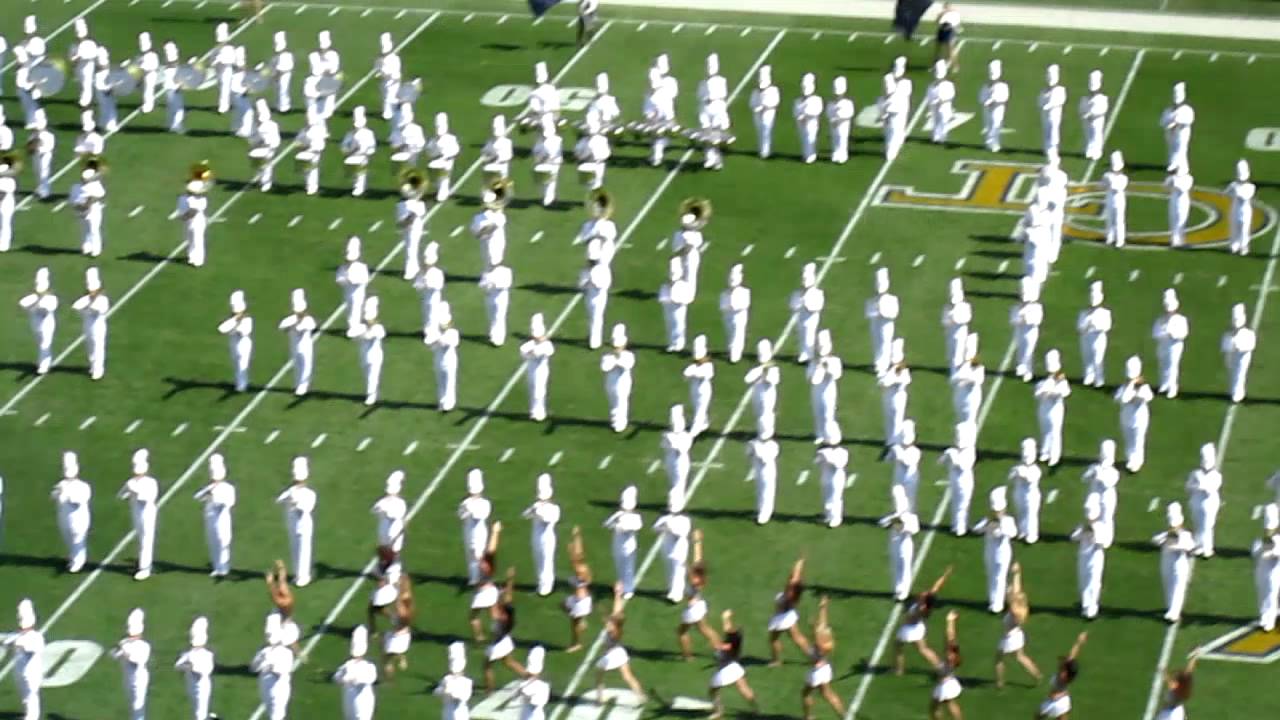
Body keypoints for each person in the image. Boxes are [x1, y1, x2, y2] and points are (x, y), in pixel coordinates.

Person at [894, 566, 953, 675]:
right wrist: (946, 574)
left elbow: (909, 618)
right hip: (918, 628)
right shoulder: (924, 604)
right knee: (924, 649)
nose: (923, 593)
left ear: (925, 602)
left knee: (898, 646)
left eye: (924, 595)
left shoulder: (920, 609)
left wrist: (906, 613)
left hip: (909, 630)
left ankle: (899, 669)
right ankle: (941, 667)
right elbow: (937, 586)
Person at [596, 582, 646, 702]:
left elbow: (611, 622)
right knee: (627, 676)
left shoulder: (613, 630)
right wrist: (617, 594)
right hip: (620, 652)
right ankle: (641, 696)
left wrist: (606, 619)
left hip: (611, 655)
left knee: (599, 675)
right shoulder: (616, 626)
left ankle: (599, 699)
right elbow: (617, 610)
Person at [995, 563, 1042, 689]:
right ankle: (1036, 674)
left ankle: (1000, 682)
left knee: (999, 659)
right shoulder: (1023, 609)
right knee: (1021, 657)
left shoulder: (1015, 611)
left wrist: (1008, 594)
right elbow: (1017, 591)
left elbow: (1012, 601)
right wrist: (1017, 573)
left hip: (1009, 637)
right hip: (1018, 635)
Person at [483, 566, 527, 692]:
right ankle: (529, 677)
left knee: (487, 667)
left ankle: (489, 689)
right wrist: (510, 579)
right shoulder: (508, 616)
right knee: (509, 662)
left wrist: (493, 593)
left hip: (496, 645)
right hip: (506, 642)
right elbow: (509, 594)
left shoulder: (500, 618)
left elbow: (492, 608)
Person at [975, 487, 1017, 613]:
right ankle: (994, 599)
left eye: (999, 511)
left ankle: (997, 604)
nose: (997, 513)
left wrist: (1001, 526)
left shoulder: (1008, 520)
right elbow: (976, 529)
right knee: (991, 576)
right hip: (989, 551)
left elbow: (1013, 533)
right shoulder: (988, 520)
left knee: (999, 577)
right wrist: (987, 524)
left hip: (1002, 553)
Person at [118, 449, 158, 581]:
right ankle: (143, 562)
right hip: (136, 511)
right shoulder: (132, 482)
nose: (137, 476)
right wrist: (127, 491)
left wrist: (134, 491)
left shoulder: (151, 482)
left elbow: (147, 499)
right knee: (140, 538)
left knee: (147, 539)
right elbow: (121, 495)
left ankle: (145, 568)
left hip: (147, 513)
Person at [709, 609, 758, 719]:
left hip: (726, 670)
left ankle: (718, 711)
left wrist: (714, 640)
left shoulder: (729, 646)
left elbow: (718, 646)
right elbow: (727, 628)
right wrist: (726, 617)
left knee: (713, 690)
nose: (730, 629)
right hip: (735, 667)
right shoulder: (735, 641)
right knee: (744, 688)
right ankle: (755, 709)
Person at [277, 456, 316, 587]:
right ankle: (296, 574)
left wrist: (296, 502)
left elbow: (307, 508)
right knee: (294, 549)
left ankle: (304, 576)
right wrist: (289, 497)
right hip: (292, 523)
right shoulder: (291, 491)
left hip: (303, 524)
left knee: (304, 550)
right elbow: (279, 500)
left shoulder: (310, 493)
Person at [194, 453, 235, 578]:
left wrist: (217, 498)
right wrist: (208, 493)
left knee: (223, 541)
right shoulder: (210, 487)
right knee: (212, 541)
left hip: (222, 517)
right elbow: (197, 496)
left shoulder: (228, 488)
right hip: (210, 516)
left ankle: (224, 568)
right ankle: (217, 567)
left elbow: (229, 502)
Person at [1154, 502, 1195, 623]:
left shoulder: (1185, 534)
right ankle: (1170, 608)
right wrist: (1167, 537)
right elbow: (1155, 540)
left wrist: (1177, 545)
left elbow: (1190, 546)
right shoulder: (1166, 535)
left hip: (1179, 563)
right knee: (1168, 585)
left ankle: (1174, 612)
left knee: (1178, 587)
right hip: (1166, 561)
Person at [767, 557, 812, 666]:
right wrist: (800, 562)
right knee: (798, 638)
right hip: (788, 616)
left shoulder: (790, 594)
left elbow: (794, 575)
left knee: (774, 639)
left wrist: (799, 562)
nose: (790, 579)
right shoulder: (795, 591)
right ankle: (813, 657)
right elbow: (795, 574)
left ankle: (776, 661)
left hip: (782, 618)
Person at [1072, 494, 1110, 620]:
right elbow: (1073, 537)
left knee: (1093, 581)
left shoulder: (1101, 526)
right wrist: (1083, 530)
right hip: (1083, 555)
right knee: (1083, 579)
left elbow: (1104, 543)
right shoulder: (1082, 526)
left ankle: (1092, 607)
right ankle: (1085, 604)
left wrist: (1094, 531)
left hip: (1095, 556)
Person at [53, 451, 92, 573]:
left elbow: (79, 501)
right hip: (64, 515)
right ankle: (73, 556)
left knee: (77, 537)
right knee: (67, 536)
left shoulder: (83, 486)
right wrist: (58, 492)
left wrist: (68, 494)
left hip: (78, 517)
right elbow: (54, 495)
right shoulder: (62, 484)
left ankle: (79, 561)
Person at [251, 613, 295, 720]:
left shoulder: (286, 652)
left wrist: (270, 665)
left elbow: (282, 672)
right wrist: (261, 658)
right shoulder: (264, 651)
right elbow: (253, 668)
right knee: (272, 714)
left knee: (277, 716)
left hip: (278, 688)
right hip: (265, 686)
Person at [6, 599, 45, 720]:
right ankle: (29, 715)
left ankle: (32, 717)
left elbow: (31, 648)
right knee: (26, 697)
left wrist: (19, 644)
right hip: (21, 671)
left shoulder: (36, 637)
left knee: (31, 697)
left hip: (31, 673)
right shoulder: (19, 636)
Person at [880, 484, 920, 601]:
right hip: (894, 543)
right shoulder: (892, 516)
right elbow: (882, 523)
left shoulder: (911, 517)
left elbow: (915, 530)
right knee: (895, 566)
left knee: (905, 567)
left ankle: (905, 591)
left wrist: (904, 526)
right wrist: (892, 520)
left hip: (905, 543)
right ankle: (897, 589)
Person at [1114, 356, 1154, 473]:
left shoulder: (1143, 386)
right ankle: (1130, 459)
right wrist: (1130, 385)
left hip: (1139, 419)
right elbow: (1122, 398)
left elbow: (1148, 396)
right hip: (1126, 417)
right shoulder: (1125, 386)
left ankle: (1137, 461)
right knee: (1128, 440)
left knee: (1138, 441)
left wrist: (1137, 390)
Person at [523, 473, 561, 597]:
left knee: (546, 562)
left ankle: (547, 588)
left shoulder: (554, 508)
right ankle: (540, 584)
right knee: (537, 559)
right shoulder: (537, 506)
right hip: (536, 535)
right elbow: (525, 515)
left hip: (547, 538)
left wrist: (539, 513)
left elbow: (548, 520)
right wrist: (533, 510)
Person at [653, 489, 693, 604]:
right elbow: (655, 528)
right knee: (669, 568)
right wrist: (664, 527)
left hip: (679, 546)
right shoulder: (666, 518)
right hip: (667, 545)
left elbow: (683, 533)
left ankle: (676, 594)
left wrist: (671, 528)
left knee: (678, 569)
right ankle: (673, 589)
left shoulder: (685, 520)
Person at [1036, 632, 1088, 718]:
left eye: (1064, 663)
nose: (1062, 661)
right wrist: (1079, 642)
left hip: (1055, 702)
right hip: (1064, 702)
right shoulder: (1066, 674)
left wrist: (1062, 694)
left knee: (1038, 716)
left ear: (1065, 672)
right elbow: (1072, 655)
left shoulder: (1061, 677)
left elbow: (1054, 696)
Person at [111, 608, 151, 720]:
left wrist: (124, 653)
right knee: (131, 704)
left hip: (139, 678)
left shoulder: (144, 646)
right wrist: (116, 651)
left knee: (138, 706)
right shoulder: (124, 643)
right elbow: (115, 655)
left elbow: (137, 661)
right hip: (127, 676)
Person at [72, 267, 110, 380]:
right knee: (89, 346)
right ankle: (92, 365)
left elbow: (99, 310)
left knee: (98, 346)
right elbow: (76, 306)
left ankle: (99, 369)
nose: (92, 293)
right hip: (87, 324)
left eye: (93, 291)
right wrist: (86, 306)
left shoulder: (103, 299)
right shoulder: (86, 299)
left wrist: (88, 307)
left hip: (98, 326)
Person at [347, 296, 386, 406]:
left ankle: (371, 395)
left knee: (373, 375)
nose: (368, 322)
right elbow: (351, 334)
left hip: (375, 356)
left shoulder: (378, 328)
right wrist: (358, 333)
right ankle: (372, 392)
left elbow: (378, 335)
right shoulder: (361, 327)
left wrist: (365, 334)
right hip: (364, 354)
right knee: (367, 374)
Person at [1185, 443, 1221, 558]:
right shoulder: (1195, 473)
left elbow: (1211, 489)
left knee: (1207, 525)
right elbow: (1188, 486)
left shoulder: (1216, 475)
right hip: (1196, 502)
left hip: (1209, 504)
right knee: (1197, 524)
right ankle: (1198, 545)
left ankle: (1207, 548)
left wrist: (1201, 485)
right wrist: (1195, 486)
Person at [605, 486, 643, 599]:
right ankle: (622, 585)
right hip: (617, 542)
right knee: (619, 564)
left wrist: (623, 526)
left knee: (628, 566)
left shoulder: (635, 517)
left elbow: (637, 526)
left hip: (629, 544)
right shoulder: (618, 515)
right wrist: (616, 523)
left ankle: (629, 588)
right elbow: (607, 524)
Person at [174, 616, 214, 720]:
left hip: (202, 687)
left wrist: (193, 666)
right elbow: (177, 666)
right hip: (190, 684)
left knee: (199, 715)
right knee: (197, 711)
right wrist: (187, 666)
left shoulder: (207, 655)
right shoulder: (188, 654)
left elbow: (206, 671)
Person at [333, 626, 377, 720]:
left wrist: (352, 677)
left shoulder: (369, 666)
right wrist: (343, 675)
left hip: (362, 705)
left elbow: (369, 678)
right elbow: (336, 678)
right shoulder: (347, 665)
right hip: (349, 703)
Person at [278, 289, 316, 397]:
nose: (299, 314)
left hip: (305, 345)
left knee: (306, 364)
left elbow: (309, 326)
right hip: (294, 344)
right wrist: (291, 325)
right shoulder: (291, 319)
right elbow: (281, 325)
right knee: (297, 364)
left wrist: (296, 325)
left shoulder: (308, 320)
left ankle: (304, 385)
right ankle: (298, 383)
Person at [1035, 350, 1069, 467]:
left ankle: (1054, 455)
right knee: (1044, 428)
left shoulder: (1061, 379)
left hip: (1055, 408)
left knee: (1055, 431)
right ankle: (1045, 451)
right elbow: (1038, 392)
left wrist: (1052, 392)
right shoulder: (1045, 380)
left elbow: (1065, 392)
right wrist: (1045, 391)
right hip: (1044, 406)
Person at [808, 330, 843, 446]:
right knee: (817, 412)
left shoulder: (835, 360)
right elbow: (812, 379)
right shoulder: (814, 362)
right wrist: (819, 367)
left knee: (828, 414)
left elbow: (837, 375)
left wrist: (828, 368)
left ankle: (829, 435)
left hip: (829, 390)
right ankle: (819, 434)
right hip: (817, 390)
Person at [563, 525, 595, 652]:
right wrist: (577, 536)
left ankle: (576, 643)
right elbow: (579, 552)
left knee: (573, 624)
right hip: (577, 598)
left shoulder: (581, 569)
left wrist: (570, 551)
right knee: (563, 605)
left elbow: (574, 561)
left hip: (580, 601)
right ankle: (582, 621)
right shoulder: (583, 565)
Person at [1152, 288, 1188, 399]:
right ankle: (1164, 383)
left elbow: (1184, 333)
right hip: (1163, 344)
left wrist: (1173, 334)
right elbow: (1155, 332)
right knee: (1163, 363)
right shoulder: (1161, 320)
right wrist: (1162, 334)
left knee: (1173, 365)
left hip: (1175, 345)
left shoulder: (1181, 319)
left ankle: (1173, 387)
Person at [459, 469, 492, 586]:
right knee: (470, 553)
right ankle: (473, 578)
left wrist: (471, 509)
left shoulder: (485, 503)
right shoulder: (466, 501)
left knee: (479, 554)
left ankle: (483, 577)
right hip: (468, 528)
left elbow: (481, 516)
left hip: (479, 531)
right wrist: (465, 508)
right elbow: (461, 515)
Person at [520, 314, 555, 422]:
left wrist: (537, 352)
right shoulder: (529, 344)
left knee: (539, 391)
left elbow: (549, 352)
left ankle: (540, 411)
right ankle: (533, 411)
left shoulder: (547, 345)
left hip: (541, 370)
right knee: (531, 389)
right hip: (531, 369)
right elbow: (523, 352)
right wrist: (532, 353)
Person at [425, 302, 460, 412]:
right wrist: (434, 340)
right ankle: (441, 401)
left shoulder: (453, 333)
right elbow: (429, 343)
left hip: (450, 361)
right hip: (438, 360)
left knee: (450, 382)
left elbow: (450, 343)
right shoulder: (437, 332)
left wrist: (438, 340)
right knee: (440, 382)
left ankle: (449, 403)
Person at [929, 611, 964, 720]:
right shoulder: (954, 656)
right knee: (942, 706)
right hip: (947, 682)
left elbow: (950, 636)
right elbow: (950, 636)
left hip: (945, 684)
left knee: (938, 707)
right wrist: (950, 622)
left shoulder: (950, 657)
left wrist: (949, 621)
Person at [601, 324, 636, 434]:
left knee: (622, 401)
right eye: (615, 348)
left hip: (623, 383)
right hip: (610, 383)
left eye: (619, 347)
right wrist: (614, 360)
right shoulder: (607, 356)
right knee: (613, 402)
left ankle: (621, 422)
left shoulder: (629, 355)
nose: (617, 350)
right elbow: (604, 367)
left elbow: (627, 365)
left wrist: (618, 360)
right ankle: (614, 419)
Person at [217, 290, 253, 393]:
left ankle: (242, 384)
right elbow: (222, 329)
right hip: (233, 342)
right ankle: (239, 382)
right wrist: (235, 321)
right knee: (235, 362)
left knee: (243, 363)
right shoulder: (231, 320)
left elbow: (245, 332)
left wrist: (235, 327)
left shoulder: (248, 319)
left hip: (244, 343)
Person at [1083, 440, 1121, 538]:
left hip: (1107, 497)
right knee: (1092, 513)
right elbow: (1084, 479)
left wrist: (1099, 475)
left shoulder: (1113, 472)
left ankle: (1107, 538)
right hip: (1095, 494)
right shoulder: (1094, 467)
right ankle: (1095, 534)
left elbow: (1107, 484)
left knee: (1106, 518)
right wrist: (1091, 473)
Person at [1008, 438, 1042, 544]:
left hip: (1030, 495)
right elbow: (1010, 477)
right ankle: (1022, 531)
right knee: (1020, 512)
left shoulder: (1035, 469)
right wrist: (1015, 473)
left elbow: (1030, 479)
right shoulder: (1019, 467)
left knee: (1031, 514)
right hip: (1019, 492)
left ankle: (1032, 534)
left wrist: (1022, 474)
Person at [1077, 281, 1111, 388]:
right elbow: (1079, 326)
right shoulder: (1084, 313)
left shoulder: (1105, 313)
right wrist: (1086, 325)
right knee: (1087, 356)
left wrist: (1096, 326)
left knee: (1098, 358)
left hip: (1098, 337)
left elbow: (1107, 326)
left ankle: (1099, 378)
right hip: (1086, 336)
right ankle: (1089, 376)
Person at [70, 160, 106, 257]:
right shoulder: (76, 187)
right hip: (80, 211)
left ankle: (96, 249)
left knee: (94, 229)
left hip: (94, 211)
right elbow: (72, 200)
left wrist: (90, 202)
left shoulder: (95, 185)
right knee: (84, 229)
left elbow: (101, 195)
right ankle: (86, 246)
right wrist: (80, 206)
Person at [879, 339, 911, 446]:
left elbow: (906, 381)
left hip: (898, 396)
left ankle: (896, 441)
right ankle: (889, 440)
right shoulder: (888, 369)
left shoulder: (903, 370)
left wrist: (893, 379)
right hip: (888, 395)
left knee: (897, 419)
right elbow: (882, 382)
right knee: (888, 418)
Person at [746, 340, 781, 440]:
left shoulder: (774, 368)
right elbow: (747, 379)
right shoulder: (758, 368)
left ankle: (768, 434)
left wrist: (767, 372)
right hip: (757, 392)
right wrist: (761, 368)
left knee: (766, 414)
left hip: (768, 393)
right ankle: (761, 432)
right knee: (758, 413)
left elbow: (773, 380)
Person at [1253, 504, 1280, 631]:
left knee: (1271, 593)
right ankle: (1263, 617)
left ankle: (1270, 620)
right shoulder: (1261, 539)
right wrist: (1259, 549)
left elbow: (1277, 554)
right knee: (1262, 593)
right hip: (1261, 569)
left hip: (1274, 570)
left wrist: (1270, 552)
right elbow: (1254, 552)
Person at [791, 263, 825, 364]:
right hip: (801, 317)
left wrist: (807, 304)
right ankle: (803, 353)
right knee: (801, 335)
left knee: (809, 336)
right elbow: (793, 305)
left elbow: (818, 307)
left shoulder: (817, 293)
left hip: (811, 318)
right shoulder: (799, 293)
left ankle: (809, 355)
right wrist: (799, 302)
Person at [867, 267, 899, 374]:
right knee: (876, 342)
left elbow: (894, 313)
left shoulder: (892, 299)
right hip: (875, 323)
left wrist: (884, 313)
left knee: (886, 342)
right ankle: (878, 363)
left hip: (886, 323)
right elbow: (868, 313)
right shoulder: (872, 300)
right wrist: (876, 313)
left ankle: (884, 365)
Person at [1222, 302, 1256, 403]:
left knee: (1240, 373)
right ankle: (1234, 390)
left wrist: (1240, 348)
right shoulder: (1229, 334)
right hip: (1232, 355)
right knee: (1232, 372)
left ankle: (1238, 392)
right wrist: (1230, 348)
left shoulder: (1248, 333)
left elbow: (1251, 345)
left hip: (1243, 355)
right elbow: (1225, 346)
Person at [396, 174, 428, 281]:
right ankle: (414, 267)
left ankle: (410, 270)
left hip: (415, 227)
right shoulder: (403, 204)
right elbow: (403, 220)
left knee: (411, 248)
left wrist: (411, 216)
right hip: (409, 227)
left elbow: (417, 215)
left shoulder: (417, 203)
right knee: (410, 247)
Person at [581, 242, 612, 351]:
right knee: (591, 317)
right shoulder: (586, 270)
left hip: (599, 297)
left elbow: (605, 285)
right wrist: (586, 283)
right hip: (589, 296)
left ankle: (595, 342)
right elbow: (581, 283)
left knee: (597, 318)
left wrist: (593, 283)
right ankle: (593, 337)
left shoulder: (603, 269)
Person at [383, 574, 415, 677]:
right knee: (395, 650)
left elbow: (397, 605)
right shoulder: (409, 607)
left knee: (387, 657)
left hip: (397, 637)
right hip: (404, 636)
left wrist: (397, 588)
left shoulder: (402, 613)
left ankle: (389, 673)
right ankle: (401, 659)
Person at [659, 257, 693, 353]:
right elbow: (662, 297)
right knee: (669, 324)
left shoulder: (683, 285)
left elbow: (688, 298)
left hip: (678, 308)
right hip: (668, 307)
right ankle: (672, 343)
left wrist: (679, 300)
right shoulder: (666, 285)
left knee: (679, 324)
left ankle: (679, 343)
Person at [341, 106, 376, 197]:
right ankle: (356, 186)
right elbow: (344, 144)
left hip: (363, 156)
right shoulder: (350, 133)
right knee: (354, 173)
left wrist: (367, 153)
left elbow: (372, 146)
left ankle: (360, 188)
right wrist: (346, 151)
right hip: (352, 155)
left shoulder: (369, 133)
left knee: (360, 172)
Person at [472, 185, 509, 269]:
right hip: (487, 244)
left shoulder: (498, 216)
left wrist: (483, 232)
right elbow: (477, 234)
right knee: (489, 263)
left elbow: (479, 233)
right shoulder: (479, 217)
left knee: (494, 262)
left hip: (496, 242)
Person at [720, 264, 751, 363]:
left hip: (739, 315)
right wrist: (726, 307)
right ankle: (731, 349)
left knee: (738, 333)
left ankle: (736, 354)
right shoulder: (725, 293)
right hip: (728, 315)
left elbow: (745, 304)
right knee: (730, 333)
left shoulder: (744, 291)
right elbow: (722, 305)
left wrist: (735, 307)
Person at [950, 334, 984, 426]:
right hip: (959, 396)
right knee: (960, 421)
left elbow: (977, 379)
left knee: (970, 422)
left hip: (971, 398)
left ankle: (969, 440)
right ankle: (961, 439)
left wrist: (963, 379)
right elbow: (953, 379)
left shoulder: (976, 365)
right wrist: (961, 378)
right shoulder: (960, 364)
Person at [685, 335, 715, 436]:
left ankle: (694, 431)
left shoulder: (708, 366)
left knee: (700, 410)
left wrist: (694, 372)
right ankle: (704, 423)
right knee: (696, 406)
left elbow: (705, 374)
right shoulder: (694, 366)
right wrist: (692, 371)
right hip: (694, 388)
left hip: (704, 390)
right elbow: (686, 373)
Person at [1161, 82, 1194, 174]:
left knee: (1181, 149)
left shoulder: (1187, 110)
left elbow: (1189, 120)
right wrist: (1170, 123)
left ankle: (1176, 166)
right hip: (1170, 134)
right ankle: (1182, 167)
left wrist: (1177, 121)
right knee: (1172, 149)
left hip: (1182, 133)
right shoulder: (1168, 111)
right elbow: (1162, 122)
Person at [815, 441, 849, 529]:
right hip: (825, 476)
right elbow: (817, 462)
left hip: (836, 478)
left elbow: (839, 465)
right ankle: (828, 516)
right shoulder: (823, 451)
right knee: (826, 497)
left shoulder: (842, 452)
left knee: (835, 498)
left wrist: (828, 457)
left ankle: (836, 519)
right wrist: (820, 456)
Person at [427, 112, 460, 202]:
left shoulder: (451, 138)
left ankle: (443, 191)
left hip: (447, 162)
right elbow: (429, 150)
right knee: (436, 179)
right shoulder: (433, 140)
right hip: (438, 161)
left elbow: (456, 150)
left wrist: (446, 156)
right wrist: (434, 156)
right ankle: (439, 189)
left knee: (443, 178)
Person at [373, 471, 407, 556]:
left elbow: (375, 510)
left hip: (387, 528)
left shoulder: (383, 502)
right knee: (391, 552)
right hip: (391, 529)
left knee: (388, 551)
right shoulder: (399, 503)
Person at [748, 435, 781, 526]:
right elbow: (748, 454)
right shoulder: (755, 442)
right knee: (759, 490)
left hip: (768, 471)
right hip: (758, 470)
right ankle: (760, 509)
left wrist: (758, 451)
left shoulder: (773, 445)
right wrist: (752, 449)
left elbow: (765, 459)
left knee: (767, 492)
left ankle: (765, 514)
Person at [250, 100, 281, 192]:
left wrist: (268, 144)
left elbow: (274, 139)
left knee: (266, 164)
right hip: (260, 147)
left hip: (269, 148)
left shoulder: (272, 125)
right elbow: (254, 137)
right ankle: (261, 178)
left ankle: (266, 182)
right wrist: (254, 145)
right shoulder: (256, 125)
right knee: (259, 164)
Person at [435, 643, 472, 720]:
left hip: (460, 714)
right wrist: (444, 690)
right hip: (447, 712)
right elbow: (436, 692)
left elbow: (464, 697)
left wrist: (451, 692)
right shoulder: (447, 679)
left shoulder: (466, 682)